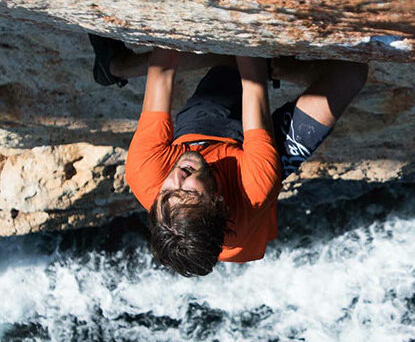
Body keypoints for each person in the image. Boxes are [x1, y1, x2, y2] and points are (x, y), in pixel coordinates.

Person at [89, 36, 367, 275]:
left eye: (168, 191)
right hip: (252, 169)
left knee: (229, 59)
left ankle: (116, 67)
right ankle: (279, 66)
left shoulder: (146, 173)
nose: (177, 175)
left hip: (204, 130)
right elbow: (254, 86)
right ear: (218, 202)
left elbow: (162, 72)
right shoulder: (256, 188)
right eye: (189, 192)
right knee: (349, 75)